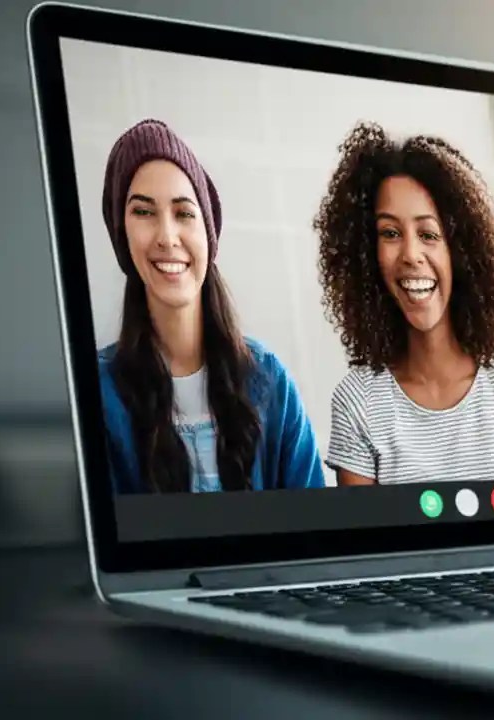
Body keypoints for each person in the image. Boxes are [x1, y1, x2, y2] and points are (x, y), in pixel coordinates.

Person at [314, 122, 494, 486]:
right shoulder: (358, 401)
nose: (411, 255)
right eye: (390, 234)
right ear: (367, 255)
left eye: (429, 234)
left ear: (461, 253)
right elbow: (367, 541)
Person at [96, 119, 325, 493]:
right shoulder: (97, 395)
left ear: (208, 233)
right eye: (143, 212)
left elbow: (321, 526)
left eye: (184, 213)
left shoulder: (269, 380)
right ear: (123, 235)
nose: (167, 237)